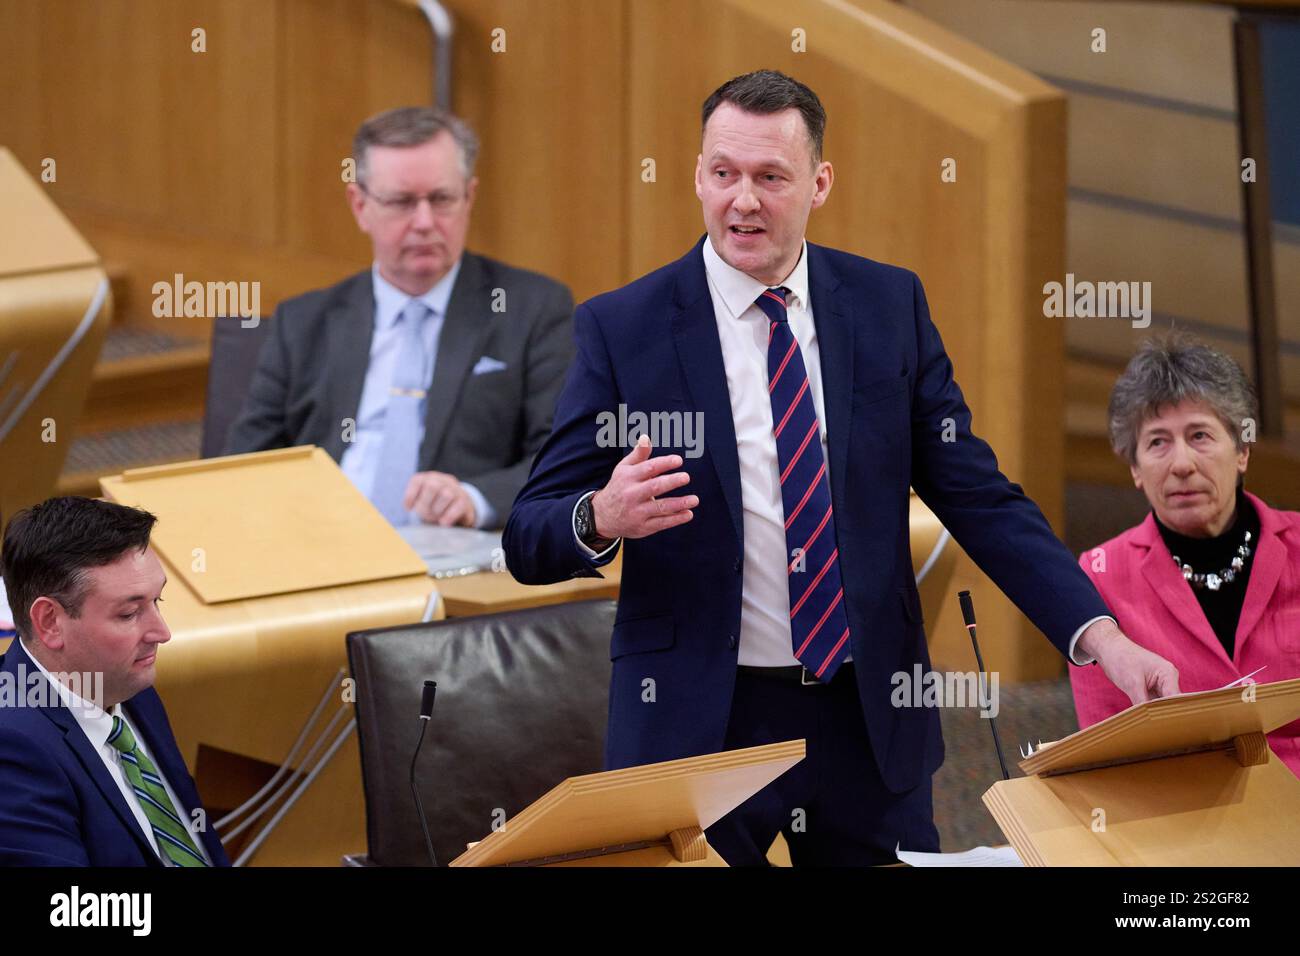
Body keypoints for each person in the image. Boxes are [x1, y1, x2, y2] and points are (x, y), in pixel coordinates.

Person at [503, 70, 1180, 866]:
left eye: (770, 177)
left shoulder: (887, 307)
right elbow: (528, 534)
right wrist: (598, 518)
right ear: (696, 175)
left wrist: (1100, 635)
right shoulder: (625, 329)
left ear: (819, 183)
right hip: (699, 724)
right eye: (723, 174)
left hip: (867, 713)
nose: (742, 201)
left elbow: (980, 496)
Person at [226, 107, 575, 529]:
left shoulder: (533, 309)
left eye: (442, 199)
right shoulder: (303, 322)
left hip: (456, 558)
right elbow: (241, 469)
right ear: (360, 205)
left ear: (470, 198)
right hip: (321, 545)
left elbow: (562, 458)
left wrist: (473, 498)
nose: (425, 222)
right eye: (402, 202)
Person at [1070, 335, 1300, 776]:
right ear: (1135, 468)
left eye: (1200, 436)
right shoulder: (1101, 575)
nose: (1181, 464)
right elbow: (1107, 756)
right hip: (1180, 820)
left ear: (1243, 451)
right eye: (1157, 442)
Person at [0, 497, 231, 866]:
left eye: (158, 600)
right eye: (128, 613)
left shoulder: (128, 688)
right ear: (50, 622)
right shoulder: (11, 749)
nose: (162, 632)